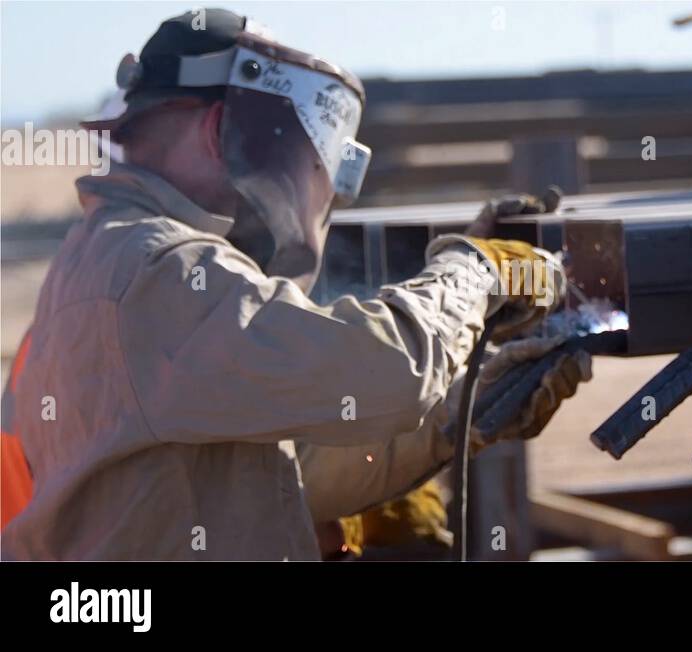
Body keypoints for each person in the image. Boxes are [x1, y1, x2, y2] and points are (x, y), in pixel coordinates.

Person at [1, 8, 590, 560]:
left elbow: (286, 467)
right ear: (222, 130)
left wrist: (463, 411)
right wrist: (478, 271)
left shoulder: (106, 255)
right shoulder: (158, 267)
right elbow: (388, 369)